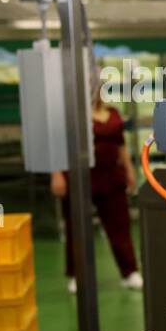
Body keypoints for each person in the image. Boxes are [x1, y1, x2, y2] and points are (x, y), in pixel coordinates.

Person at [51, 87, 142, 293]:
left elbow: (121, 145)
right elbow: (58, 145)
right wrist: (56, 174)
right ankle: (77, 274)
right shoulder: (71, 116)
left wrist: (129, 170)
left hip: (111, 177)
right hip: (78, 178)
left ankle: (130, 272)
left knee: (120, 225)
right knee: (77, 227)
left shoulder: (113, 113)